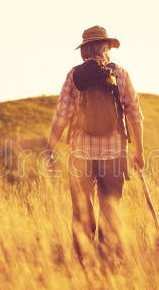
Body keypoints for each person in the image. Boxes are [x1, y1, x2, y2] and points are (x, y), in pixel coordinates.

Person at [45, 25, 144, 265]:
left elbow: (62, 114)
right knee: (111, 208)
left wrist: (50, 147)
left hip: (81, 154)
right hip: (114, 153)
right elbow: (134, 113)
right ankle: (109, 263)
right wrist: (139, 150)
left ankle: (85, 263)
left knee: (82, 210)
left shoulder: (74, 75)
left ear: (84, 49)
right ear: (106, 47)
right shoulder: (120, 73)